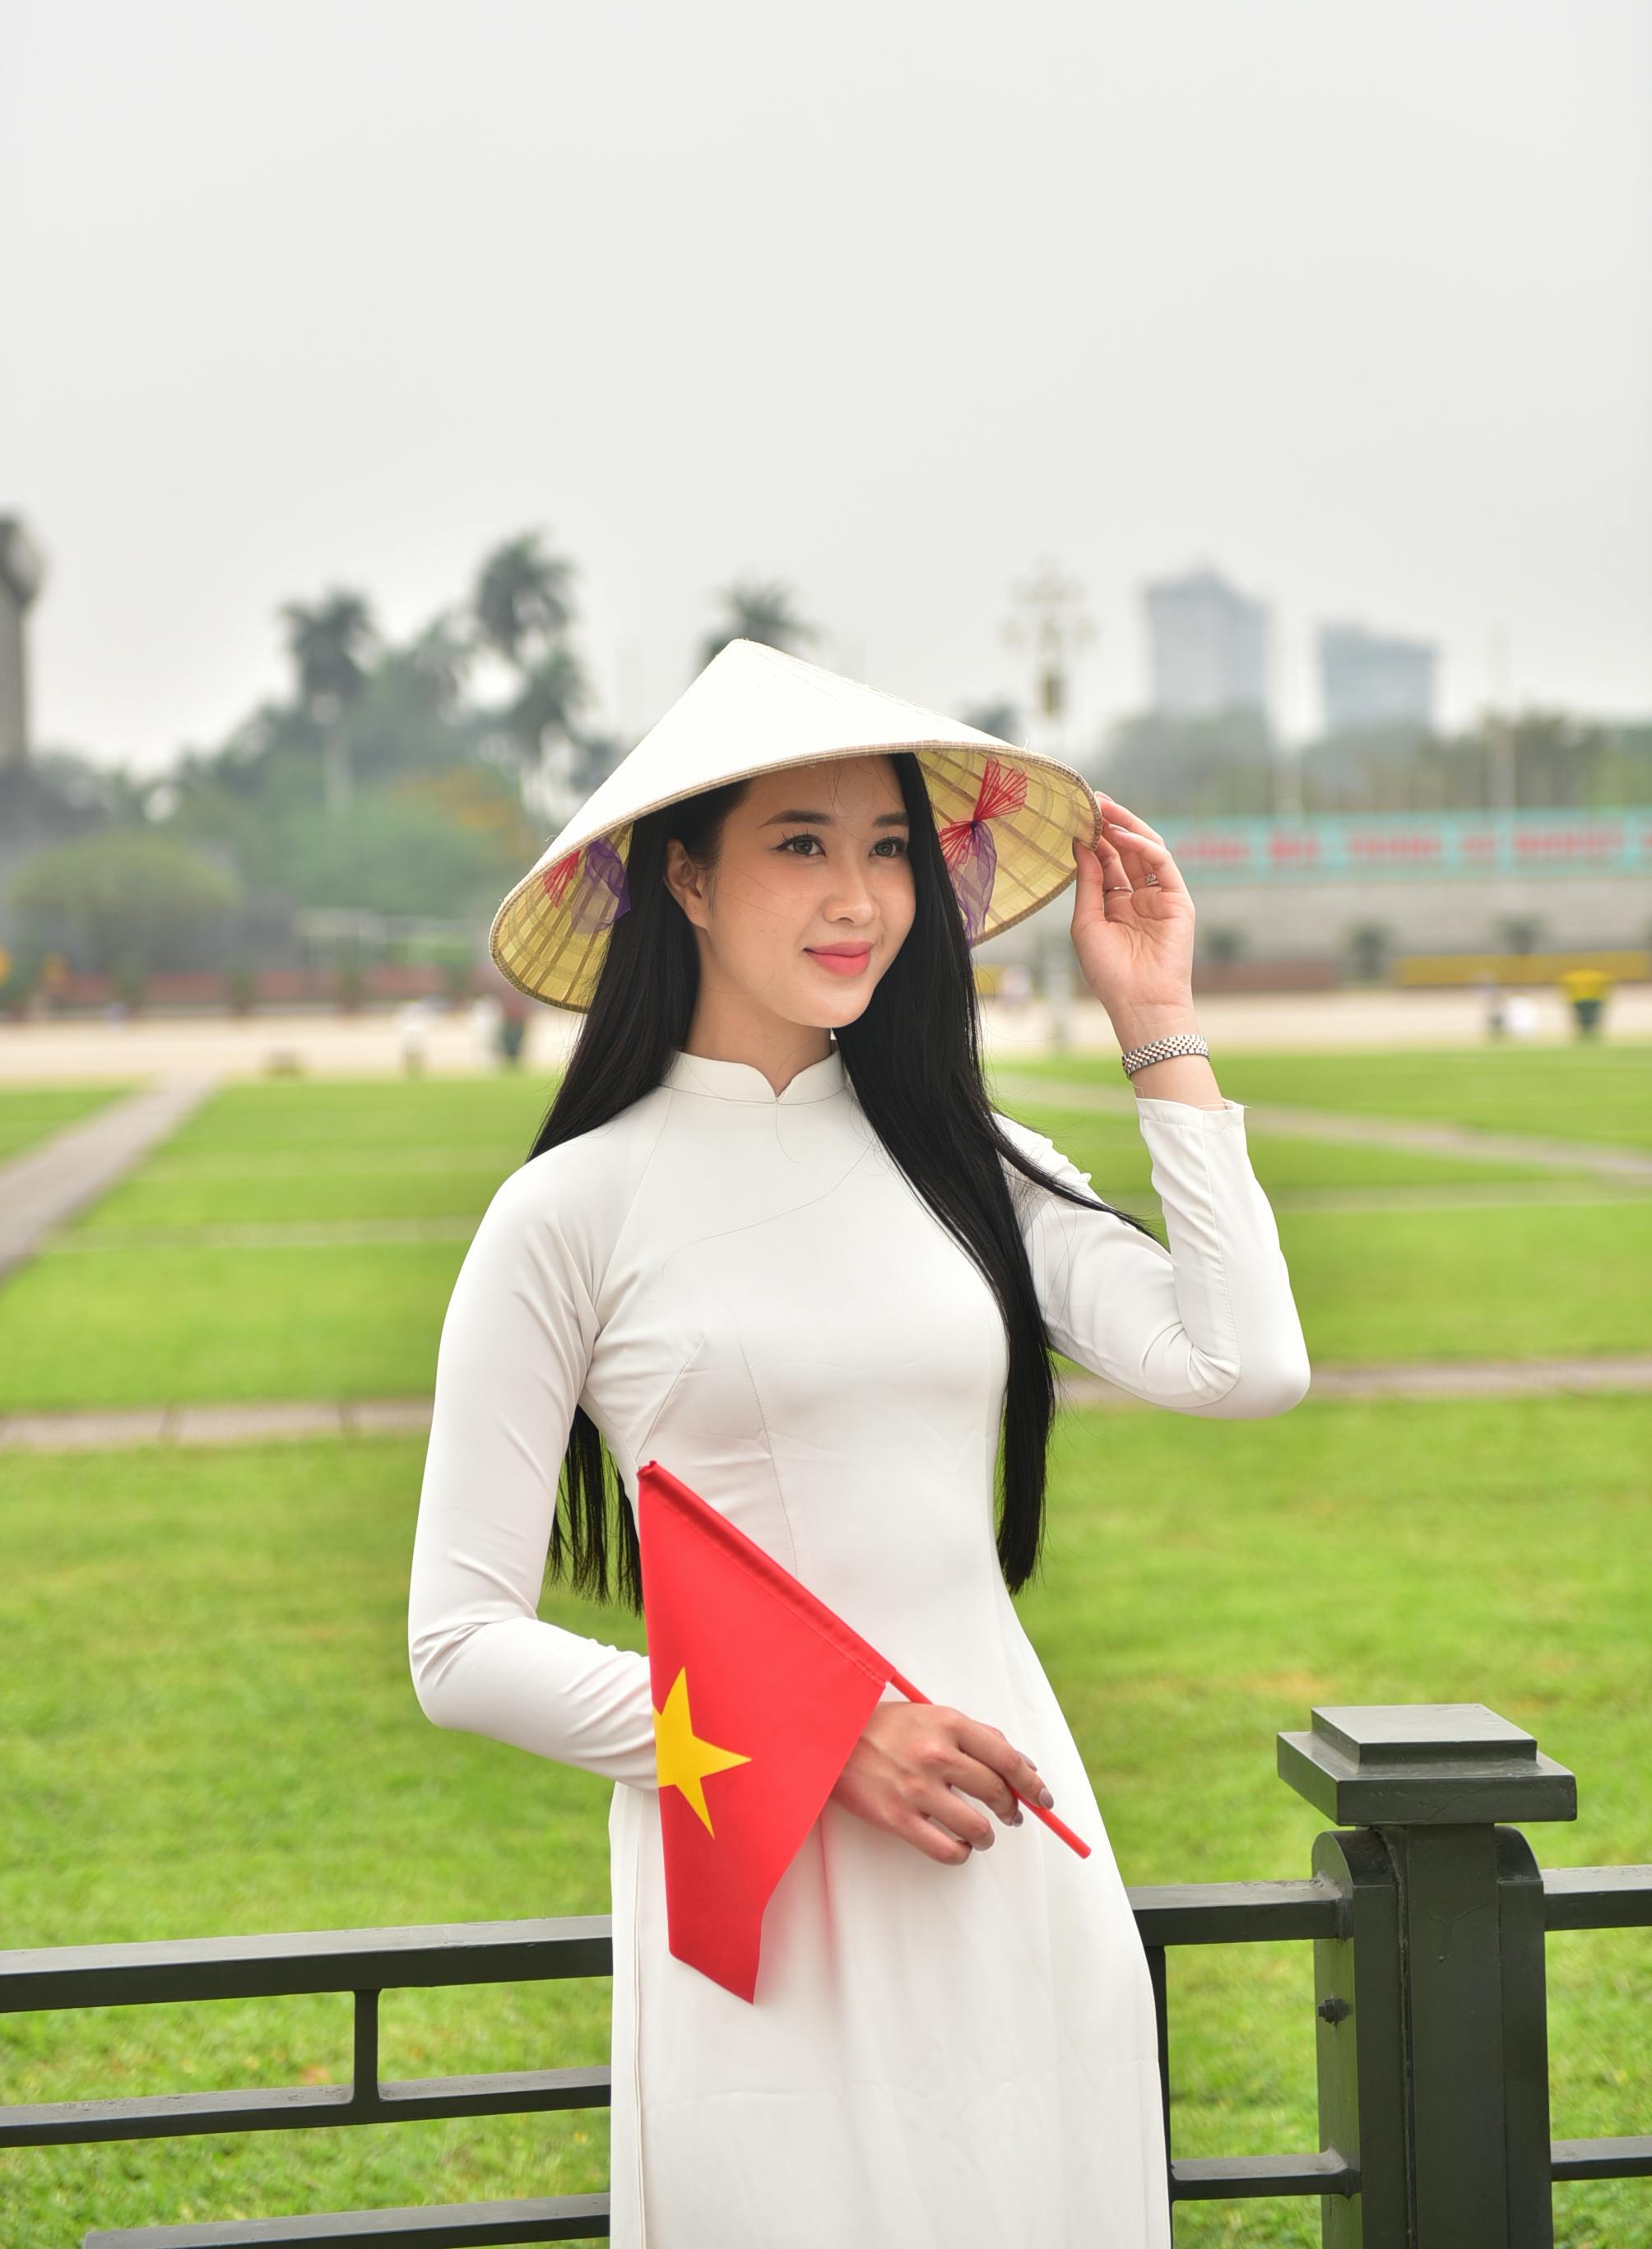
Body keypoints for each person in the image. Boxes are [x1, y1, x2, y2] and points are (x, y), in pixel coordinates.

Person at [407, 639, 1311, 2248]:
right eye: (800, 845)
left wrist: (1156, 1017)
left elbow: (1241, 1365)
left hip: (1005, 1854)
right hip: (758, 1884)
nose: (858, 896)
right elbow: (457, 1644)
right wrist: (820, 1737)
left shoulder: (967, 1161)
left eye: (889, 847)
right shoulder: (567, 1213)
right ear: (682, 880)